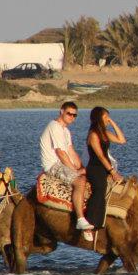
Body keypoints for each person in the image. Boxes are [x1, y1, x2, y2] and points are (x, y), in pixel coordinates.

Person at [39, 102, 90, 237]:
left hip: (62, 163)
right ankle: (80, 219)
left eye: (74, 115)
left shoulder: (65, 131)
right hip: (53, 165)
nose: (72, 117)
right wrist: (75, 171)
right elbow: (60, 153)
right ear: (61, 111)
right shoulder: (54, 126)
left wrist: (81, 167)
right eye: (69, 114)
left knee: (88, 174)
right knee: (79, 181)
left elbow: (70, 151)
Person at [84, 107, 127, 240]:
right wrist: (113, 172)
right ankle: (88, 225)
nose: (107, 120)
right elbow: (101, 156)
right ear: (98, 118)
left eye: (108, 117)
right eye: (105, 117)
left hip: (105, 168)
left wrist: (112, 122)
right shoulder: (93, 135)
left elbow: (122, 140)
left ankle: (104, 222)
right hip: (95, 168)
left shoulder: (105, 133)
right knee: (99, 189)